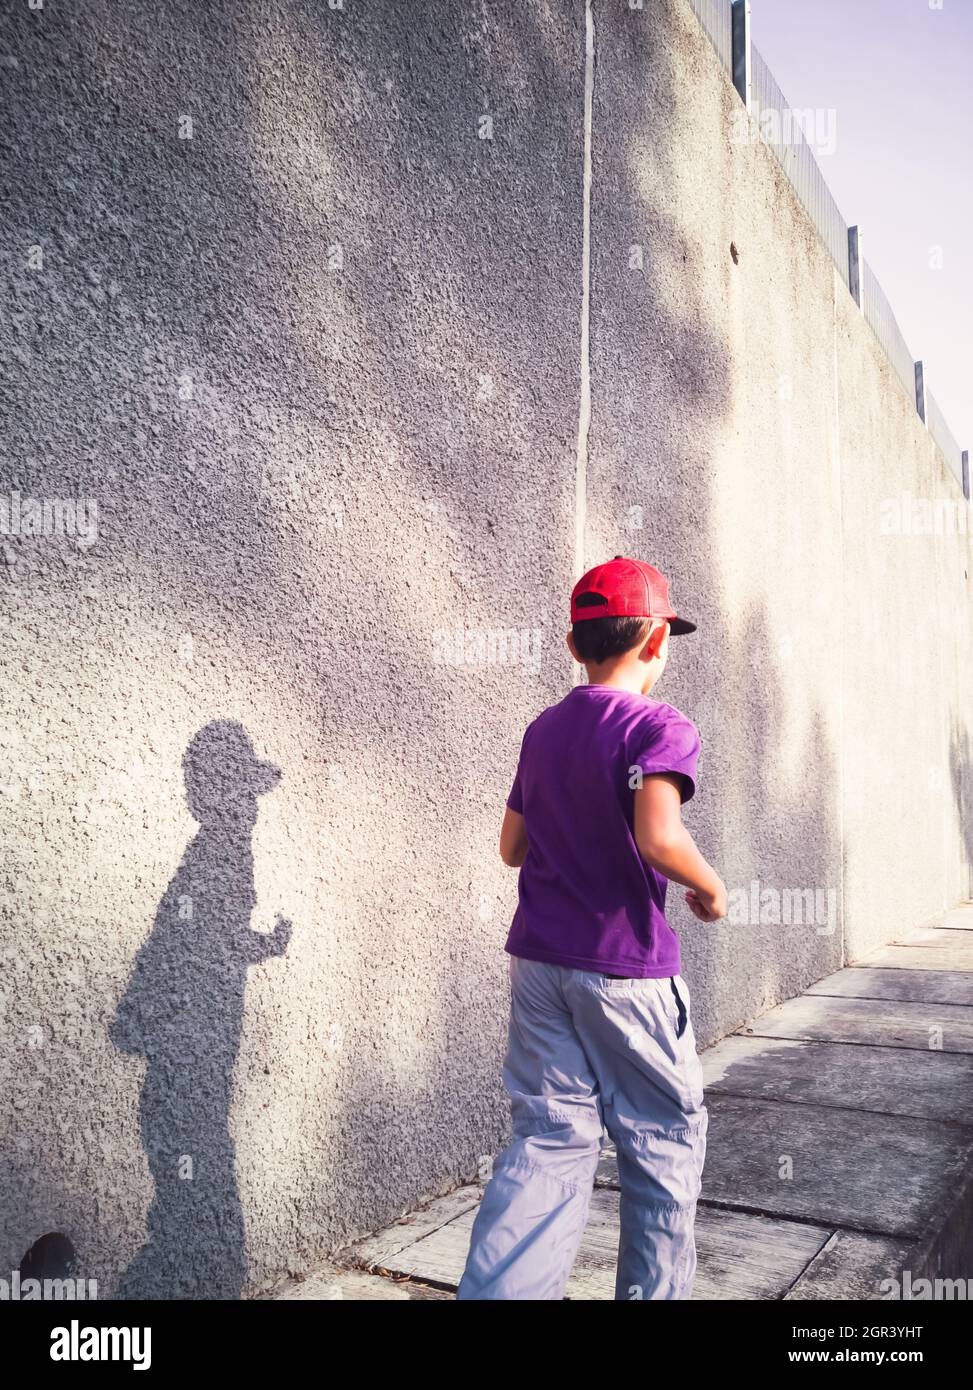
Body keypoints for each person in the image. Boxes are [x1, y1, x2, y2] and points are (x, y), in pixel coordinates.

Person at [456, 556, 727, 1301]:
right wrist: (709, 887)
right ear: (654, 639)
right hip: (625, 968)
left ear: (575, 647)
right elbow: (658, 838)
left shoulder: (544, 729)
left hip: (539, 964)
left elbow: (511, 848)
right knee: (661, 1138)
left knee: (548, 1136)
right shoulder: (660, 726)